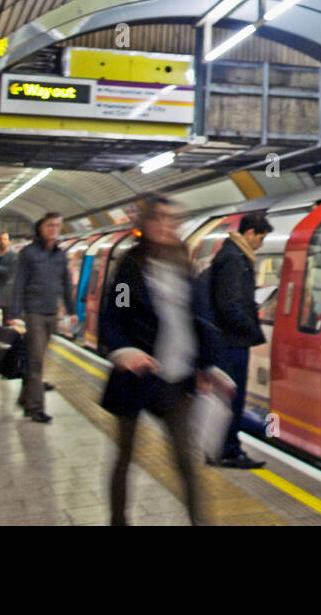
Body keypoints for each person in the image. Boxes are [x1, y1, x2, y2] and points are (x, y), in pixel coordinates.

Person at [101, 196, 216, 526]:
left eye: (172, 220)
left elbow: (199, 319)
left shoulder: (184, 265)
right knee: (124, 457)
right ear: (147, 224)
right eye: (159, 219)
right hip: (135, 377)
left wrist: (208, 365)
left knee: (186, 461)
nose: (166, 226)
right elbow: (114, 317)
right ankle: (118, 520)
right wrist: (124, 351)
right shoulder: (130, 267)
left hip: (176, 380)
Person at [199, 212, 270, 469]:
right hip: (230, 341)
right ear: (250, 233)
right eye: (260, 239)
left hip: (230, 339)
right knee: (231, 396)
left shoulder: (233, 255)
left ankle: (221, 447)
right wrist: (250, 326)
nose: (260, 244)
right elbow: (229, 304)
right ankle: (227, 449)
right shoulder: (233, 258)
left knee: (228, 395)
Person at [8, 213, 76, 423]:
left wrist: (72, 310)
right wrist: (15, 314)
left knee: (35, 358)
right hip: (34, 312)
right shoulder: (28, 253)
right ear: (41, 227)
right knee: (36, 361)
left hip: (51, 313)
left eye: (57, 225)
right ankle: (36, 407)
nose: (53, 229)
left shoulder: (60, 255)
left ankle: (24, 397)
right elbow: (18, 283)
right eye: (49, 225)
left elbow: (66, 283)